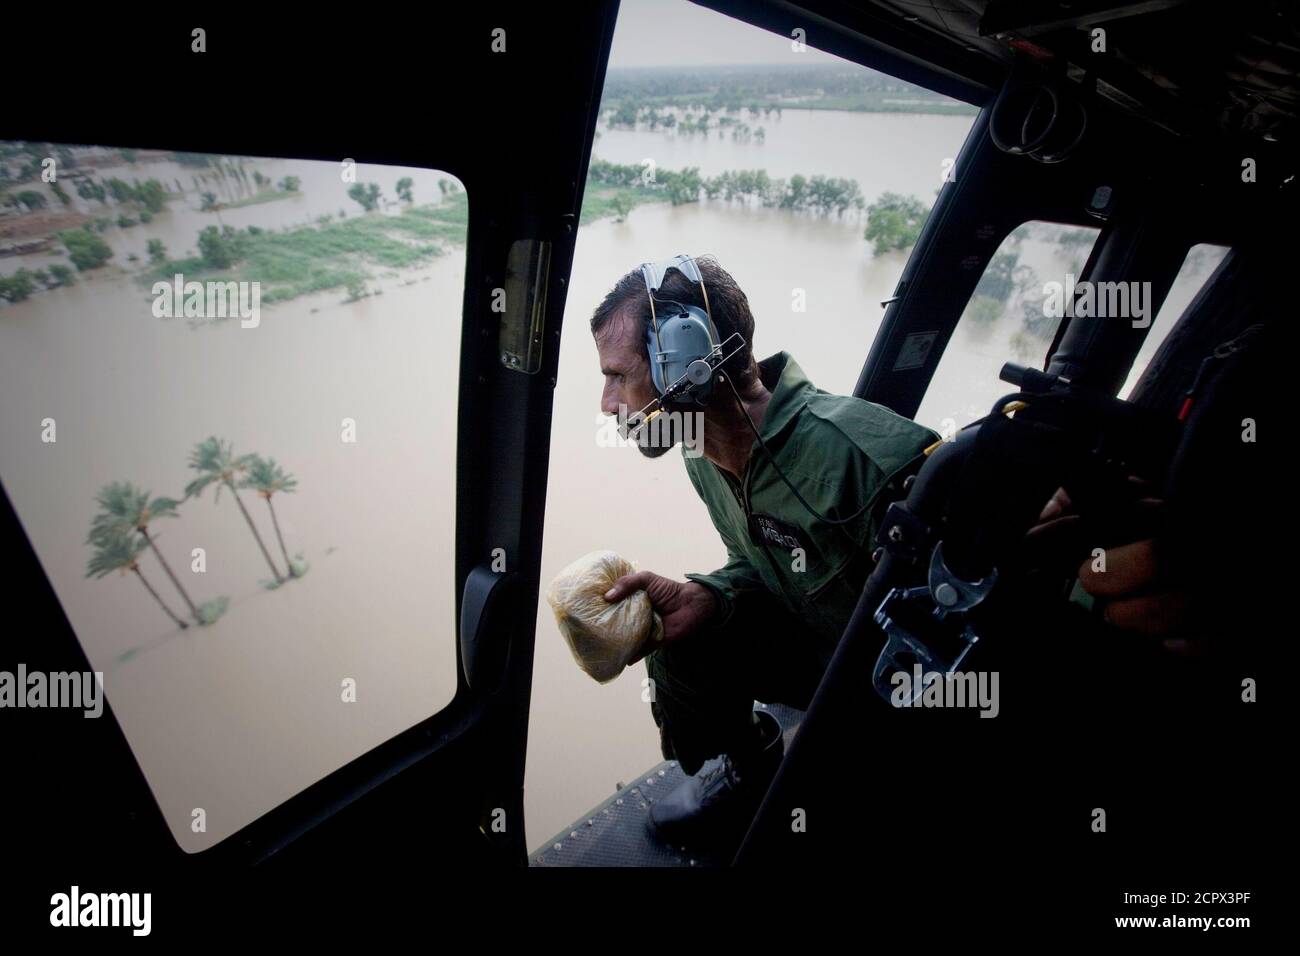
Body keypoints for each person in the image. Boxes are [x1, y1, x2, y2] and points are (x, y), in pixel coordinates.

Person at [590, 255, 939, 850]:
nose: (607, 403)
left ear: (686, 359)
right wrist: (711, 597)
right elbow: (755, 562)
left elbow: (975, 621)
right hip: (818, 653)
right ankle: (754, 765)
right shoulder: (700, 451)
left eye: (619, 376)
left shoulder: (865, 457)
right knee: (678, 631)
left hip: (903, 687)